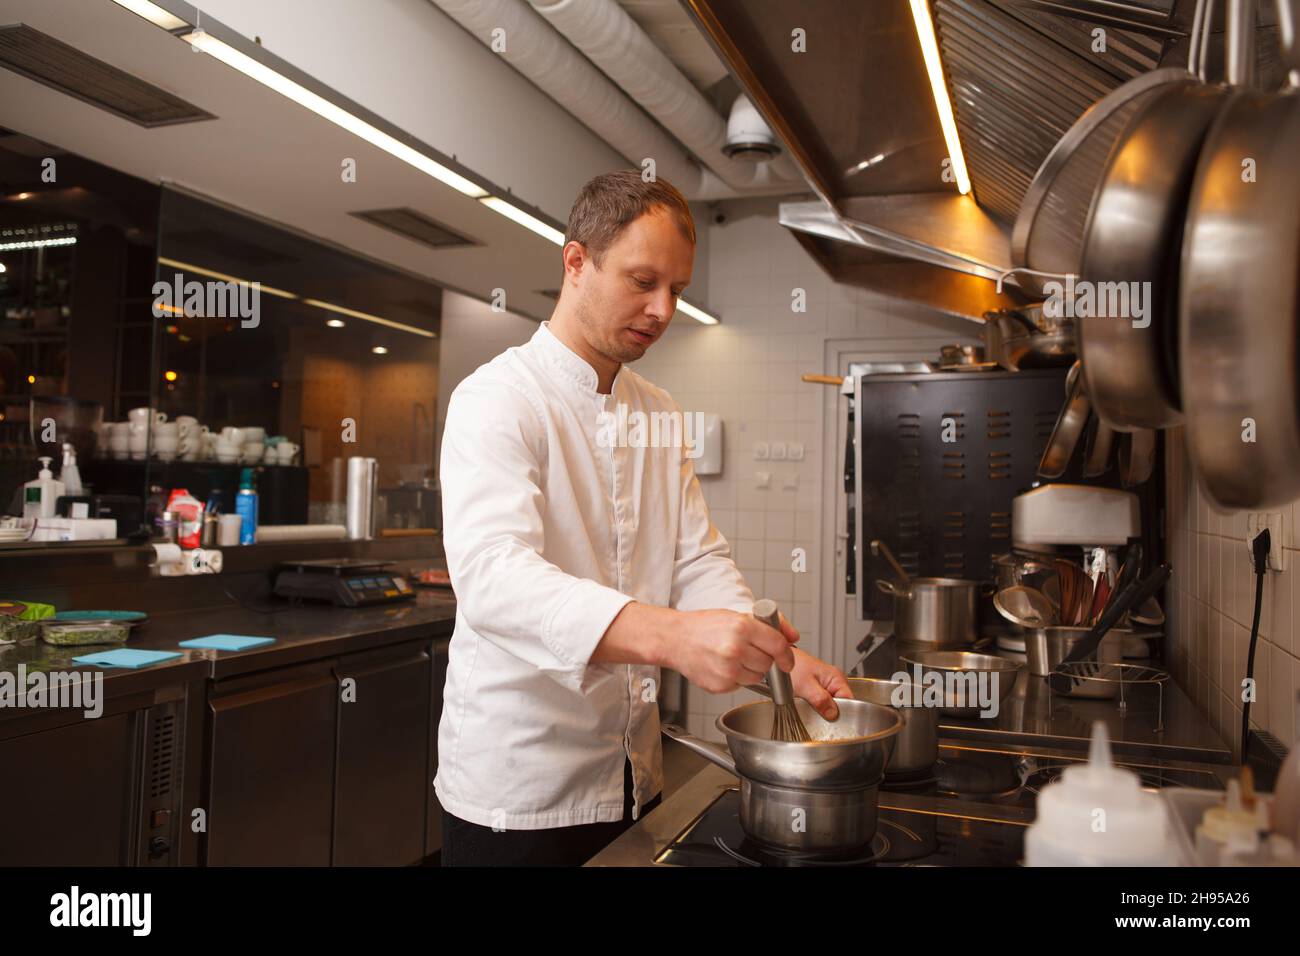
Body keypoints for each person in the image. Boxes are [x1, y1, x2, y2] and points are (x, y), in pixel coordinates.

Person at [436, 170, 850, 866]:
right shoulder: (498, 398)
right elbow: (493, 579)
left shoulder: (657, 410)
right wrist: (672, 638)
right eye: (642, 281)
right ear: (576, 263)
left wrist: (775, 658)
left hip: (634, 776)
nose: (662, 309)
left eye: (677, 290)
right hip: (520, 792)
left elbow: (695, 560)